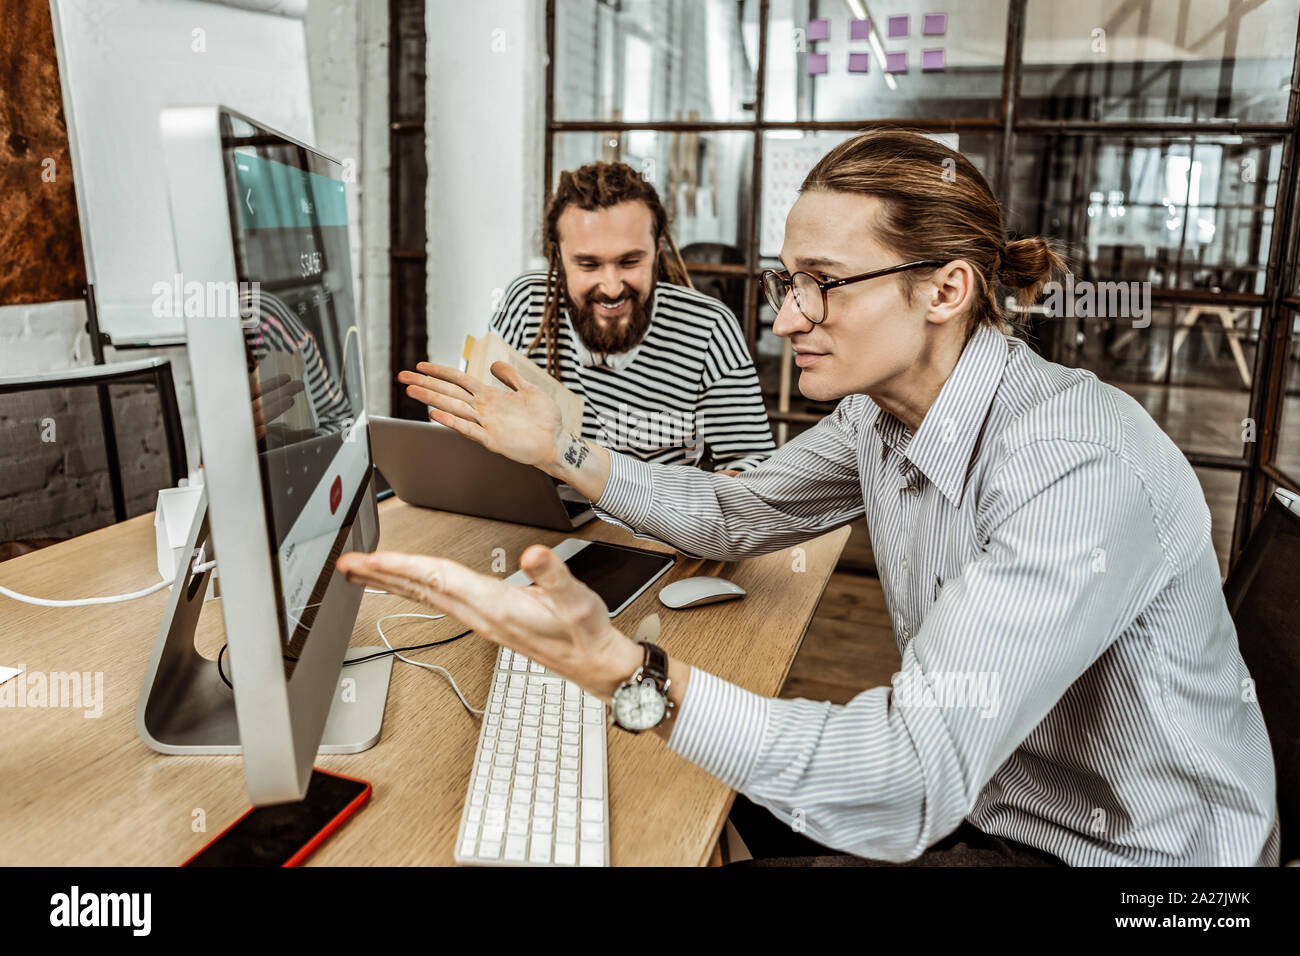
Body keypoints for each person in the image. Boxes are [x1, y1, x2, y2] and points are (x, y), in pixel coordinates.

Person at [340, 130, 1279, 866]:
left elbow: (911, 779)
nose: (788, 319)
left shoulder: (1074, 465)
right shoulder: (883, 417)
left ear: (946, 289)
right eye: (790, 283)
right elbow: (738, 512)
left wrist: (635, 675)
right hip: (995, 794)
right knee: (664, 807)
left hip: (1140, 871)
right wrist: (568, 444)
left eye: (823, 285)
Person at [435, 160, 775, 473]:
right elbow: (476, 421)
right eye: (588, 264)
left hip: (652, 532)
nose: (612, 288)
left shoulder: (708, 327)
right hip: (539, 520)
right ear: (558, 257)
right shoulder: (526, 304)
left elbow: (755, 462)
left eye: (630, 262)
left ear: (657, 250)